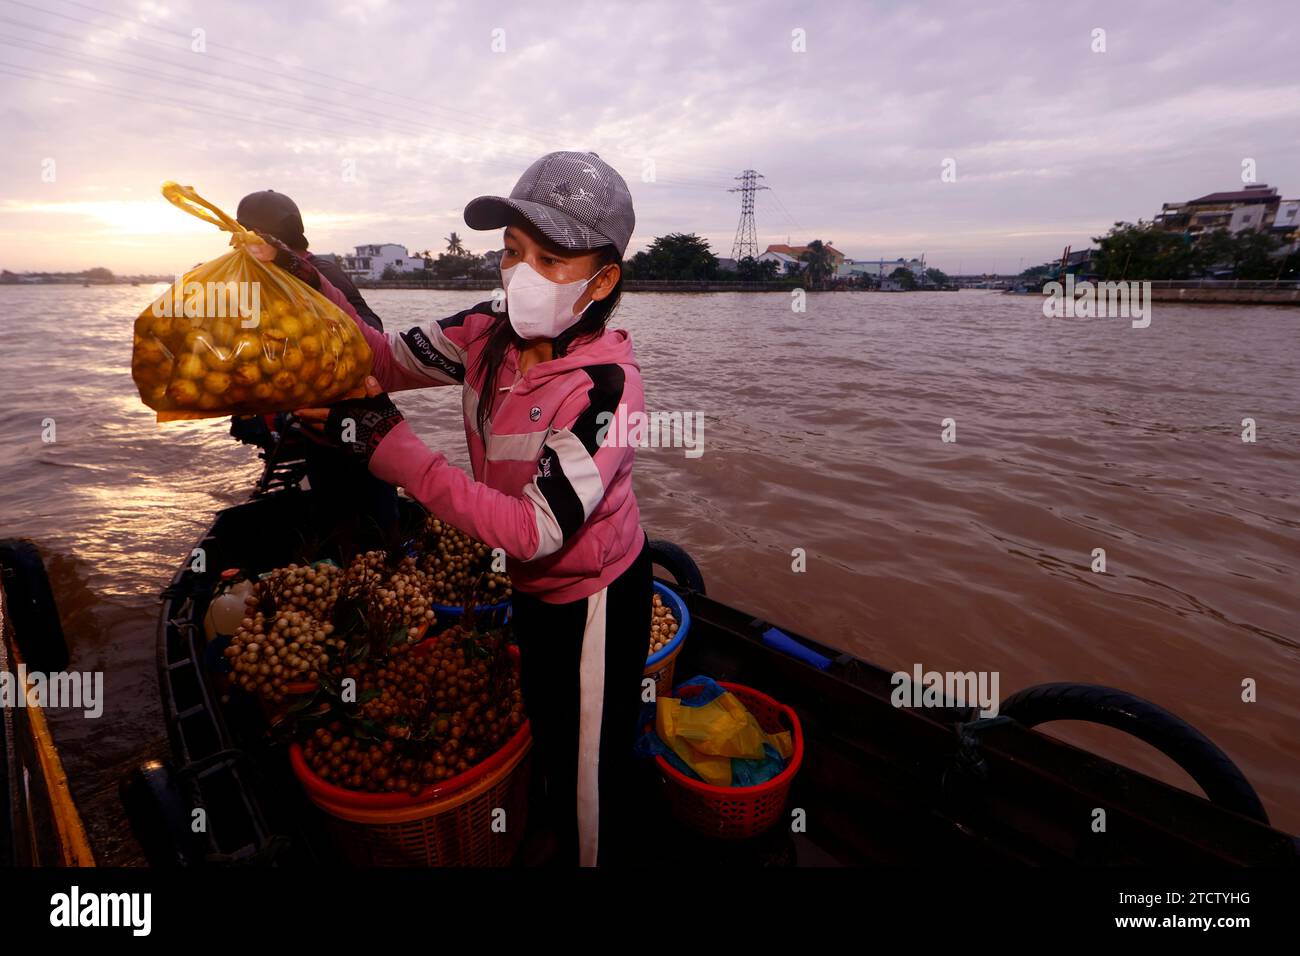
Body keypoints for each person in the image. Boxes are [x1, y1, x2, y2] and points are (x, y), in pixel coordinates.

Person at [251, 151, 650, 867]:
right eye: (513, 251)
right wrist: (307, 279)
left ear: (604, 279)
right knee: (552, 724)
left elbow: (536, 529)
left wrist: (391, 448)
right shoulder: (482, 334)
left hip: (594, 599)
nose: (521, 274)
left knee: (593, 768)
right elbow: (378, 359)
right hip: (530, 590)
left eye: (552, 259)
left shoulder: (607, 390)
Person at [231, 190, 398, 537]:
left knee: (377, 526)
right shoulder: (270, 281)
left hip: (355, 425)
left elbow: (371, 334)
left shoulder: (320, 274)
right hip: (316, 428)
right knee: (334, 521)